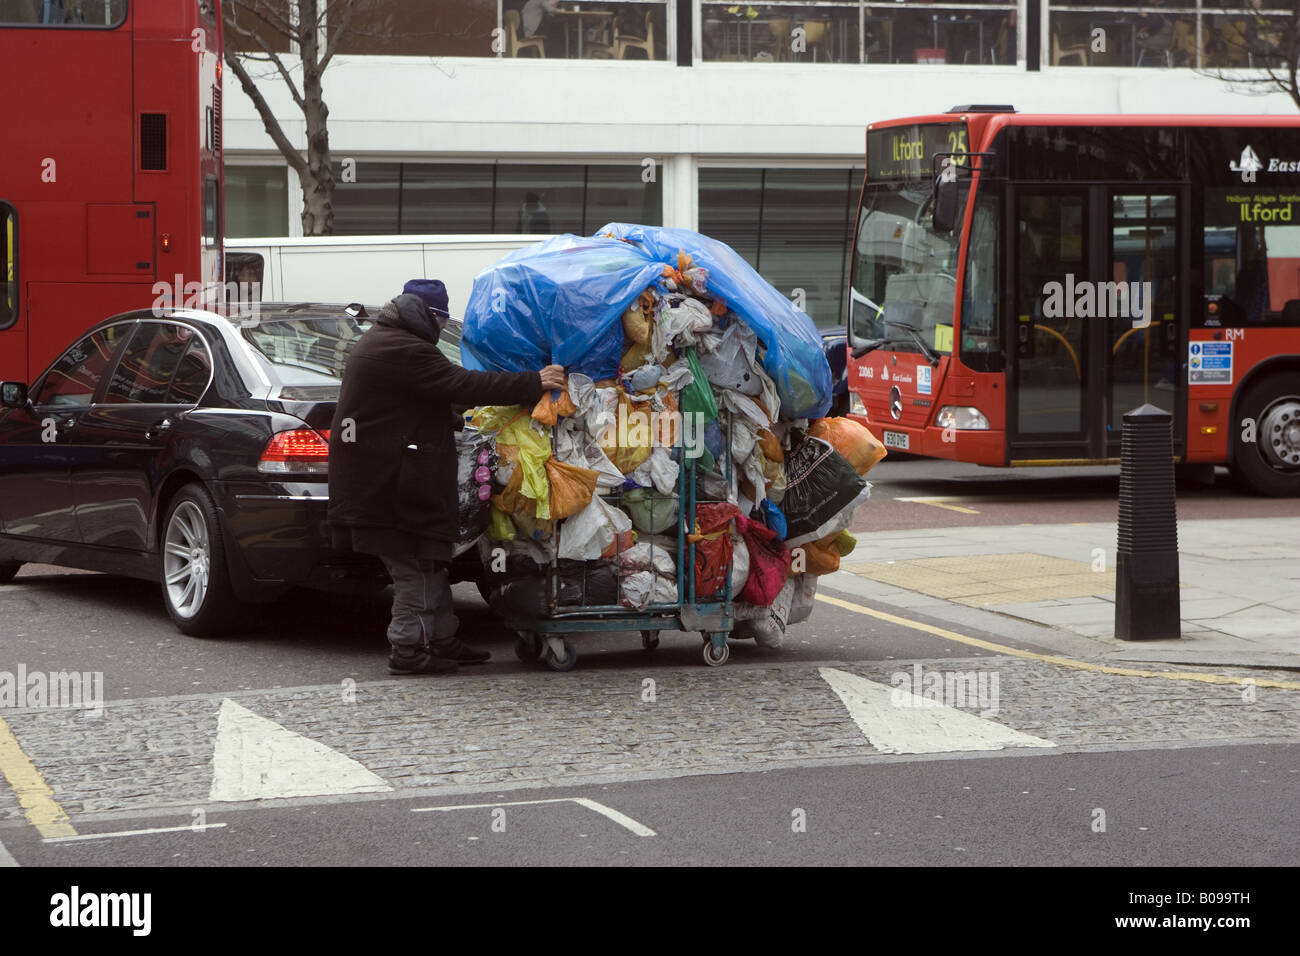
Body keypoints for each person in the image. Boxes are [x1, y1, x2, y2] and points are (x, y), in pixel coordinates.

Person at [329, 279, 567, 675]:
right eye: (441, 319)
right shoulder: (403, 349)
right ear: (428, 315)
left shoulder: (385, 340)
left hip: (385, 481)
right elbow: (462, 382)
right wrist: (533, 381)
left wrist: (455, 418)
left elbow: (418, 400)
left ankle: (440, 637)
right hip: (390, 488)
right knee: (415, 568)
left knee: (430, 563)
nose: (442, 328)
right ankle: (408, 648)